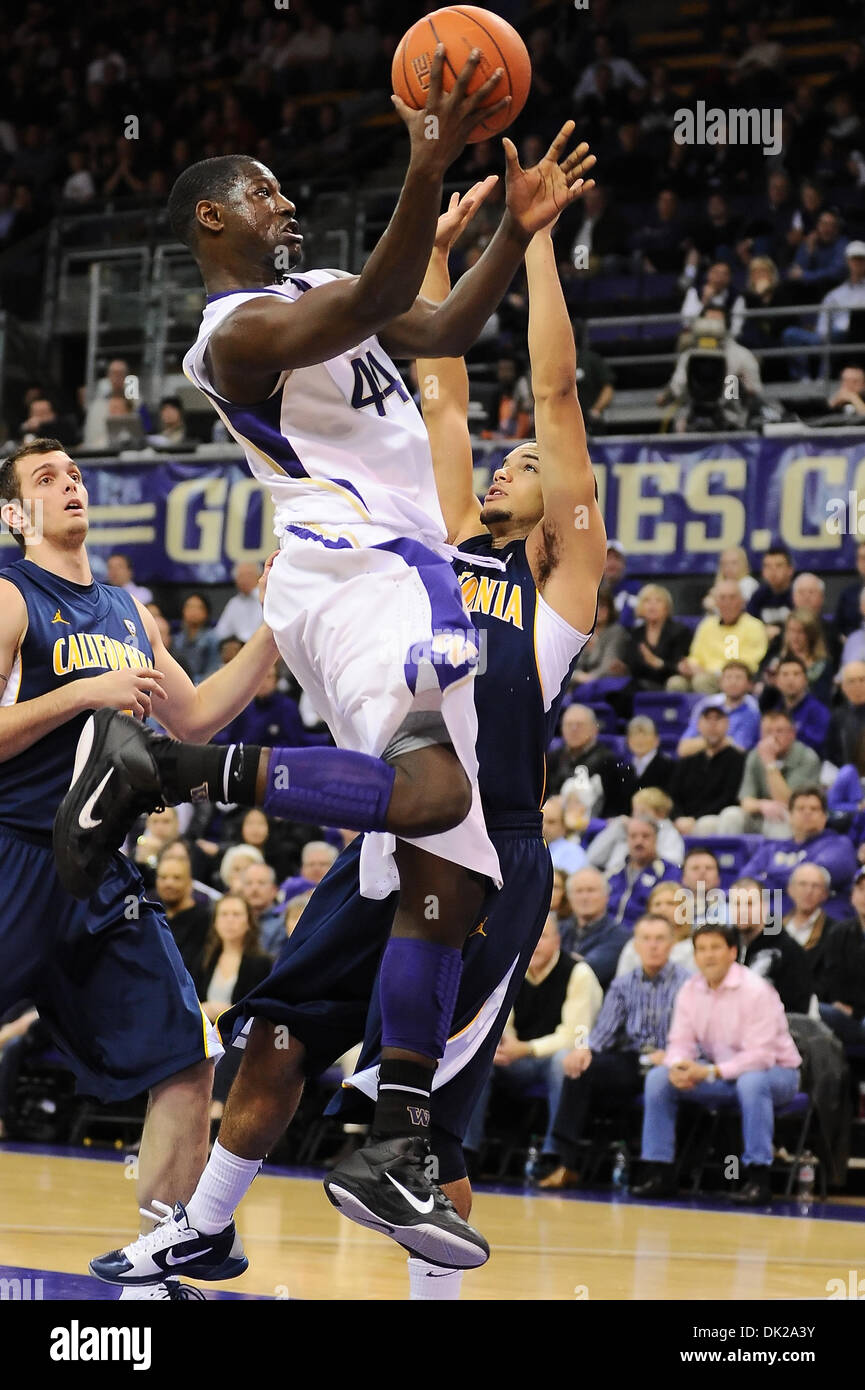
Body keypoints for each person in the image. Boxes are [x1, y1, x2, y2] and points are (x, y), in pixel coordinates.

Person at [75, 152, 608, 1292]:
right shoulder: (233, 332)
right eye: (263, 192)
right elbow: (377, 307)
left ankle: (392, 1144)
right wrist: (420, 168)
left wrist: (513, 234)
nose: (286, 204)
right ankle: (177, 767)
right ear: (212, 216)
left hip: (380, 596)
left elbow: (436, 326)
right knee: (431, 808)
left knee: (444, 849)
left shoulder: (324, 292)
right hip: (365, 571)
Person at [0, 437, 282, 1300]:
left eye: (75, 473)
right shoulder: (12, 596)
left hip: (100, 874)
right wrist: (83, 693)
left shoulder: (128, 610)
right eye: (46, 479)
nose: (69, 484)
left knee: (185, 1058)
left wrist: (279, 622)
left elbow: (195, 715)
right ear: (15, 516)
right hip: (13, 853)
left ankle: (159, 1267)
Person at [631, 923, 801, 1206]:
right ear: (694, 955)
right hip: (720, 1073)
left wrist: (709, 1071)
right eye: (702, 949)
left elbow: (760, 1056)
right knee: (659, 1078)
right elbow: (680, 1043)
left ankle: (758, 1179)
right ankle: (659, 1172)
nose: (708, 956)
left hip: (776, 1075)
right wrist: (678, 1066)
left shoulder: (756, 990)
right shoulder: (690, 989)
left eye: (716, 948)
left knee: (752, 1081)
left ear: (732, 952)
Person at [540, 913, 691, 1189]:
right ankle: (565, 1162)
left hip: (670, 1060)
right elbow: (604, 1033)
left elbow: (694, 1034)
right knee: (579, 1068)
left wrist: (671, 1055)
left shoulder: (687, 983)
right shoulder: (624, 984)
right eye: (646, 939)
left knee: (660, 1077)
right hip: (632, 1060)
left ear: (672, 944)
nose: (653, 945)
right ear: (636, 945)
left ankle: (654, 1172)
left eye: (660, 939)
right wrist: (585, 1050)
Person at [461, 914, 602, 1178]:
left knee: (564, 1060)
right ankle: (465, 1153)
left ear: (558, 940)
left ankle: (554, 1156)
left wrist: (524, 1049)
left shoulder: (579, 973)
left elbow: (575, 1035)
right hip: (516, 1059)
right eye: (532, 936)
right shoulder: (513, 966)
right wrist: (503, 1047)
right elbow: (501, 1019)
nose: (536, 944)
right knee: (476, 1062)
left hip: (550, 1059)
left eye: (544, 937)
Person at [740, 786, 858, 900]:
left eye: (814, 809)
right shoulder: (771, 848)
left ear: (824, 817)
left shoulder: (839, 845)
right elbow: (744, 882)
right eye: (800, 808)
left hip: (820, 917)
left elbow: (812, 880)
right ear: (790, 816)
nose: (807, 812)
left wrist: (767, 876)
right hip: (771, 917)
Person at [726, 709, 821, 837]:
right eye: (768, 732)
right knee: (730, 815)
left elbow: (787, 802)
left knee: (779, 822)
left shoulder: (807, 758)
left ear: (792, 734)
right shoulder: (755, 755)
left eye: (779, 731)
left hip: (791, 816)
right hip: (761, 813)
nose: (773, 737)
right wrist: (762, 805)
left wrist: (770, 763)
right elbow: (746, 801)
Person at [730, 877, 814, 1016]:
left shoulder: (788, 950)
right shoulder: (723, 945)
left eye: (750, 904)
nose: (742, 911)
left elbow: (796, 1010)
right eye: (737, 904)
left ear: (765, 906)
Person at [669, 581, 767, 693]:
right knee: (675, 683)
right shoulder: (707, 625)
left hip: (733, 677)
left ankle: (713, 710)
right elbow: (695, 656)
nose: (727, 602)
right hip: (702, 674)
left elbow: (751, 663)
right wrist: (690, 666)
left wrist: (713, 672)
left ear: (742, 601)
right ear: (716, 602)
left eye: (732, 597)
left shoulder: (754, 626)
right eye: (722, 598)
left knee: (701, 681)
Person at [193, 895, 272, 1024]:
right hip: (205, 1035)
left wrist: (226, 1011)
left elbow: (260, 1009)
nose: (229, 920)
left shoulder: (262, 963)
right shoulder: (204, 958)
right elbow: (191, 999)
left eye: (236, 914)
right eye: (223, 914)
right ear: (215, 922)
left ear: (249, 922)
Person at [669, 705, 746, 834]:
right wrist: (678, 818)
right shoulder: (688, 760)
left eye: (717, 719)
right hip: (682, 820)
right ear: (699, 725)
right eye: (708, 720)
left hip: (714, 819)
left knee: (706, 826)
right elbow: (673, 794)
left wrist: (695, 819)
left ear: (727, 725)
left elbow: (728, 797)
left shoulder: (737, 759)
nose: (712, 725)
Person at [546, 702, 637, 812]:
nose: (573, 729)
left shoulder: (608, 761)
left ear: (594, 729)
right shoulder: (552, 758)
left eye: (579, 724)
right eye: (569, 724)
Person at [816, 866, 865, 1049]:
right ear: (852, 895)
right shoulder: (839, 932)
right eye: (861, 889)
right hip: (842, 1012)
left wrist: (857, 1011)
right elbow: (830, 977)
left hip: (858, 1014)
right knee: (810, 1012)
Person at [560, 867, 632, 988]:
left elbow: (589, 971)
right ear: (569, 898)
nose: (585, 897)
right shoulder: (559, 929)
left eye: (591, 890)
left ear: (607, 896)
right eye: (579, 891)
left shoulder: (619, 935)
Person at [587, 787, 683, 875]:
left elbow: (673, 865)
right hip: (615, 880)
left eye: (642, 812)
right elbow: (592, 857)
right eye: (634, 812)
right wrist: (616, 827)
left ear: (660, 814)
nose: (636, 817)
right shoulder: (625, 828)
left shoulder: (670, 834)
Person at [606, 815, 679, 930]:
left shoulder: (668, 871)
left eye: (645, 836)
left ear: (656, 839)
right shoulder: (615, 871)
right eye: (633, 836)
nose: (638, 841)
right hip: (607, 934)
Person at [676, 661, 761, 755]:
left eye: (738, 677)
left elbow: (740, 750)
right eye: (728, 677)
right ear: (720, 682)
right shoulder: (706, 706)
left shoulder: (753, 712)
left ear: (749, 684)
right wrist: (720, 741)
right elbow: (683, 749)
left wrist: (708, 740)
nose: (733, 682)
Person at [759, 654, 830, 755]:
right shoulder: (774, 711)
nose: (790, 679)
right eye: (785, 674)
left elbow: (819, 744)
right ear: (777, 681)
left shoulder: (818, 711)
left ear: (805, 680)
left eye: (796, 674)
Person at [626, 584, 691, 692]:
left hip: (669, 680)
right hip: (643, 682)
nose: (652, 605)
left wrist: (658, 663)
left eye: (658, 601)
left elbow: (680, 667)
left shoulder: (679, 631)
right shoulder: (636, 633)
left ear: (666, 607)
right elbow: (633, 665)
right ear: (641, 607)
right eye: (647, 601)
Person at [782, 864, 833, 997]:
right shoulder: (775, 926)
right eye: (802, 884)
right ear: (790, 889)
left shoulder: (834, 931)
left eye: (815, 886)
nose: (808, 891)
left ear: (825, 894)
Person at [171, 593, 222, 685]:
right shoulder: (176, 639)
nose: (193, 611)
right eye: (189, 607)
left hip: (204, 685)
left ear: (206, 612)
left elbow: (213, 671)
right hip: (178, 684)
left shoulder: (213, 639)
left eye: (198, 607)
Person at [747, 544, 794, 639]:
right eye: (767, 566)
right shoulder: (758, 596)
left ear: (790, 570)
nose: (773, 571)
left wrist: (780, 633)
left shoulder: (797, 594)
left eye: (778, 566)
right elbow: (748, 626)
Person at [214, 562, 264, 643]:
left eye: (249, 575)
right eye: (240, 576)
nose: (244, 579)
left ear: (260, 577)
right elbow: (220, 633)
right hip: (237, 649)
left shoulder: (267, 599)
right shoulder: (234, 603)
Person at [625, 716, 674, 792]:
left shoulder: (669, 767)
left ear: (656, 740)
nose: (639, 740)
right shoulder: (624, 769)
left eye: (645, 734)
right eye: (634, 734)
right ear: (628, 741)